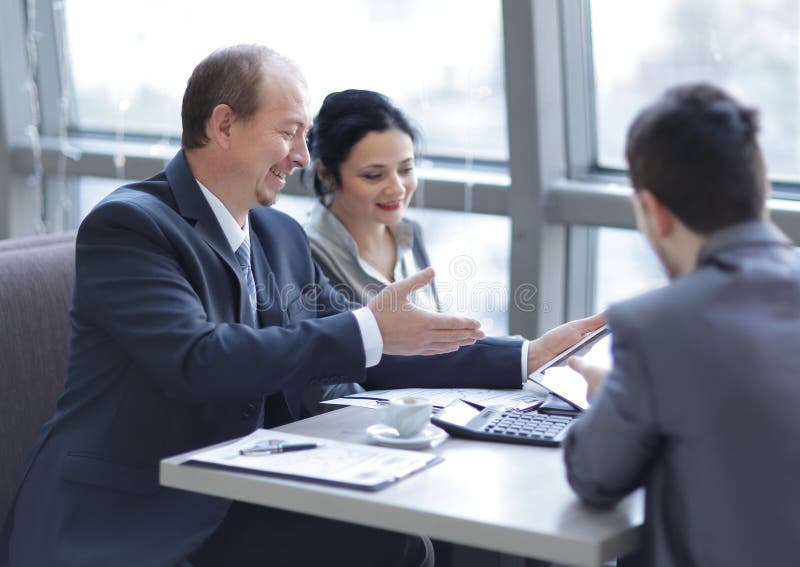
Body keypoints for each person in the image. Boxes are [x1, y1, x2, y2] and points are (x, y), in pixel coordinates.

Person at [0, 45, 602, 567]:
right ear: (224, 125)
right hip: (135, 508)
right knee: (391, 548)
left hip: (238, 491)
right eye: (288, 132)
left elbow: (368, 350)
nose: (299, 155)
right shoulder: (129, 227)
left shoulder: (278, 235)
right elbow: (198, 361)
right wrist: (366, 327)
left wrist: (523, 357)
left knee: (410, 542)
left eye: (304, 136)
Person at [563, 83, 800, 567]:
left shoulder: (659, 326)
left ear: (654, 211)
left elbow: (592, 476)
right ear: (761, 190)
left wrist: (611, 395)